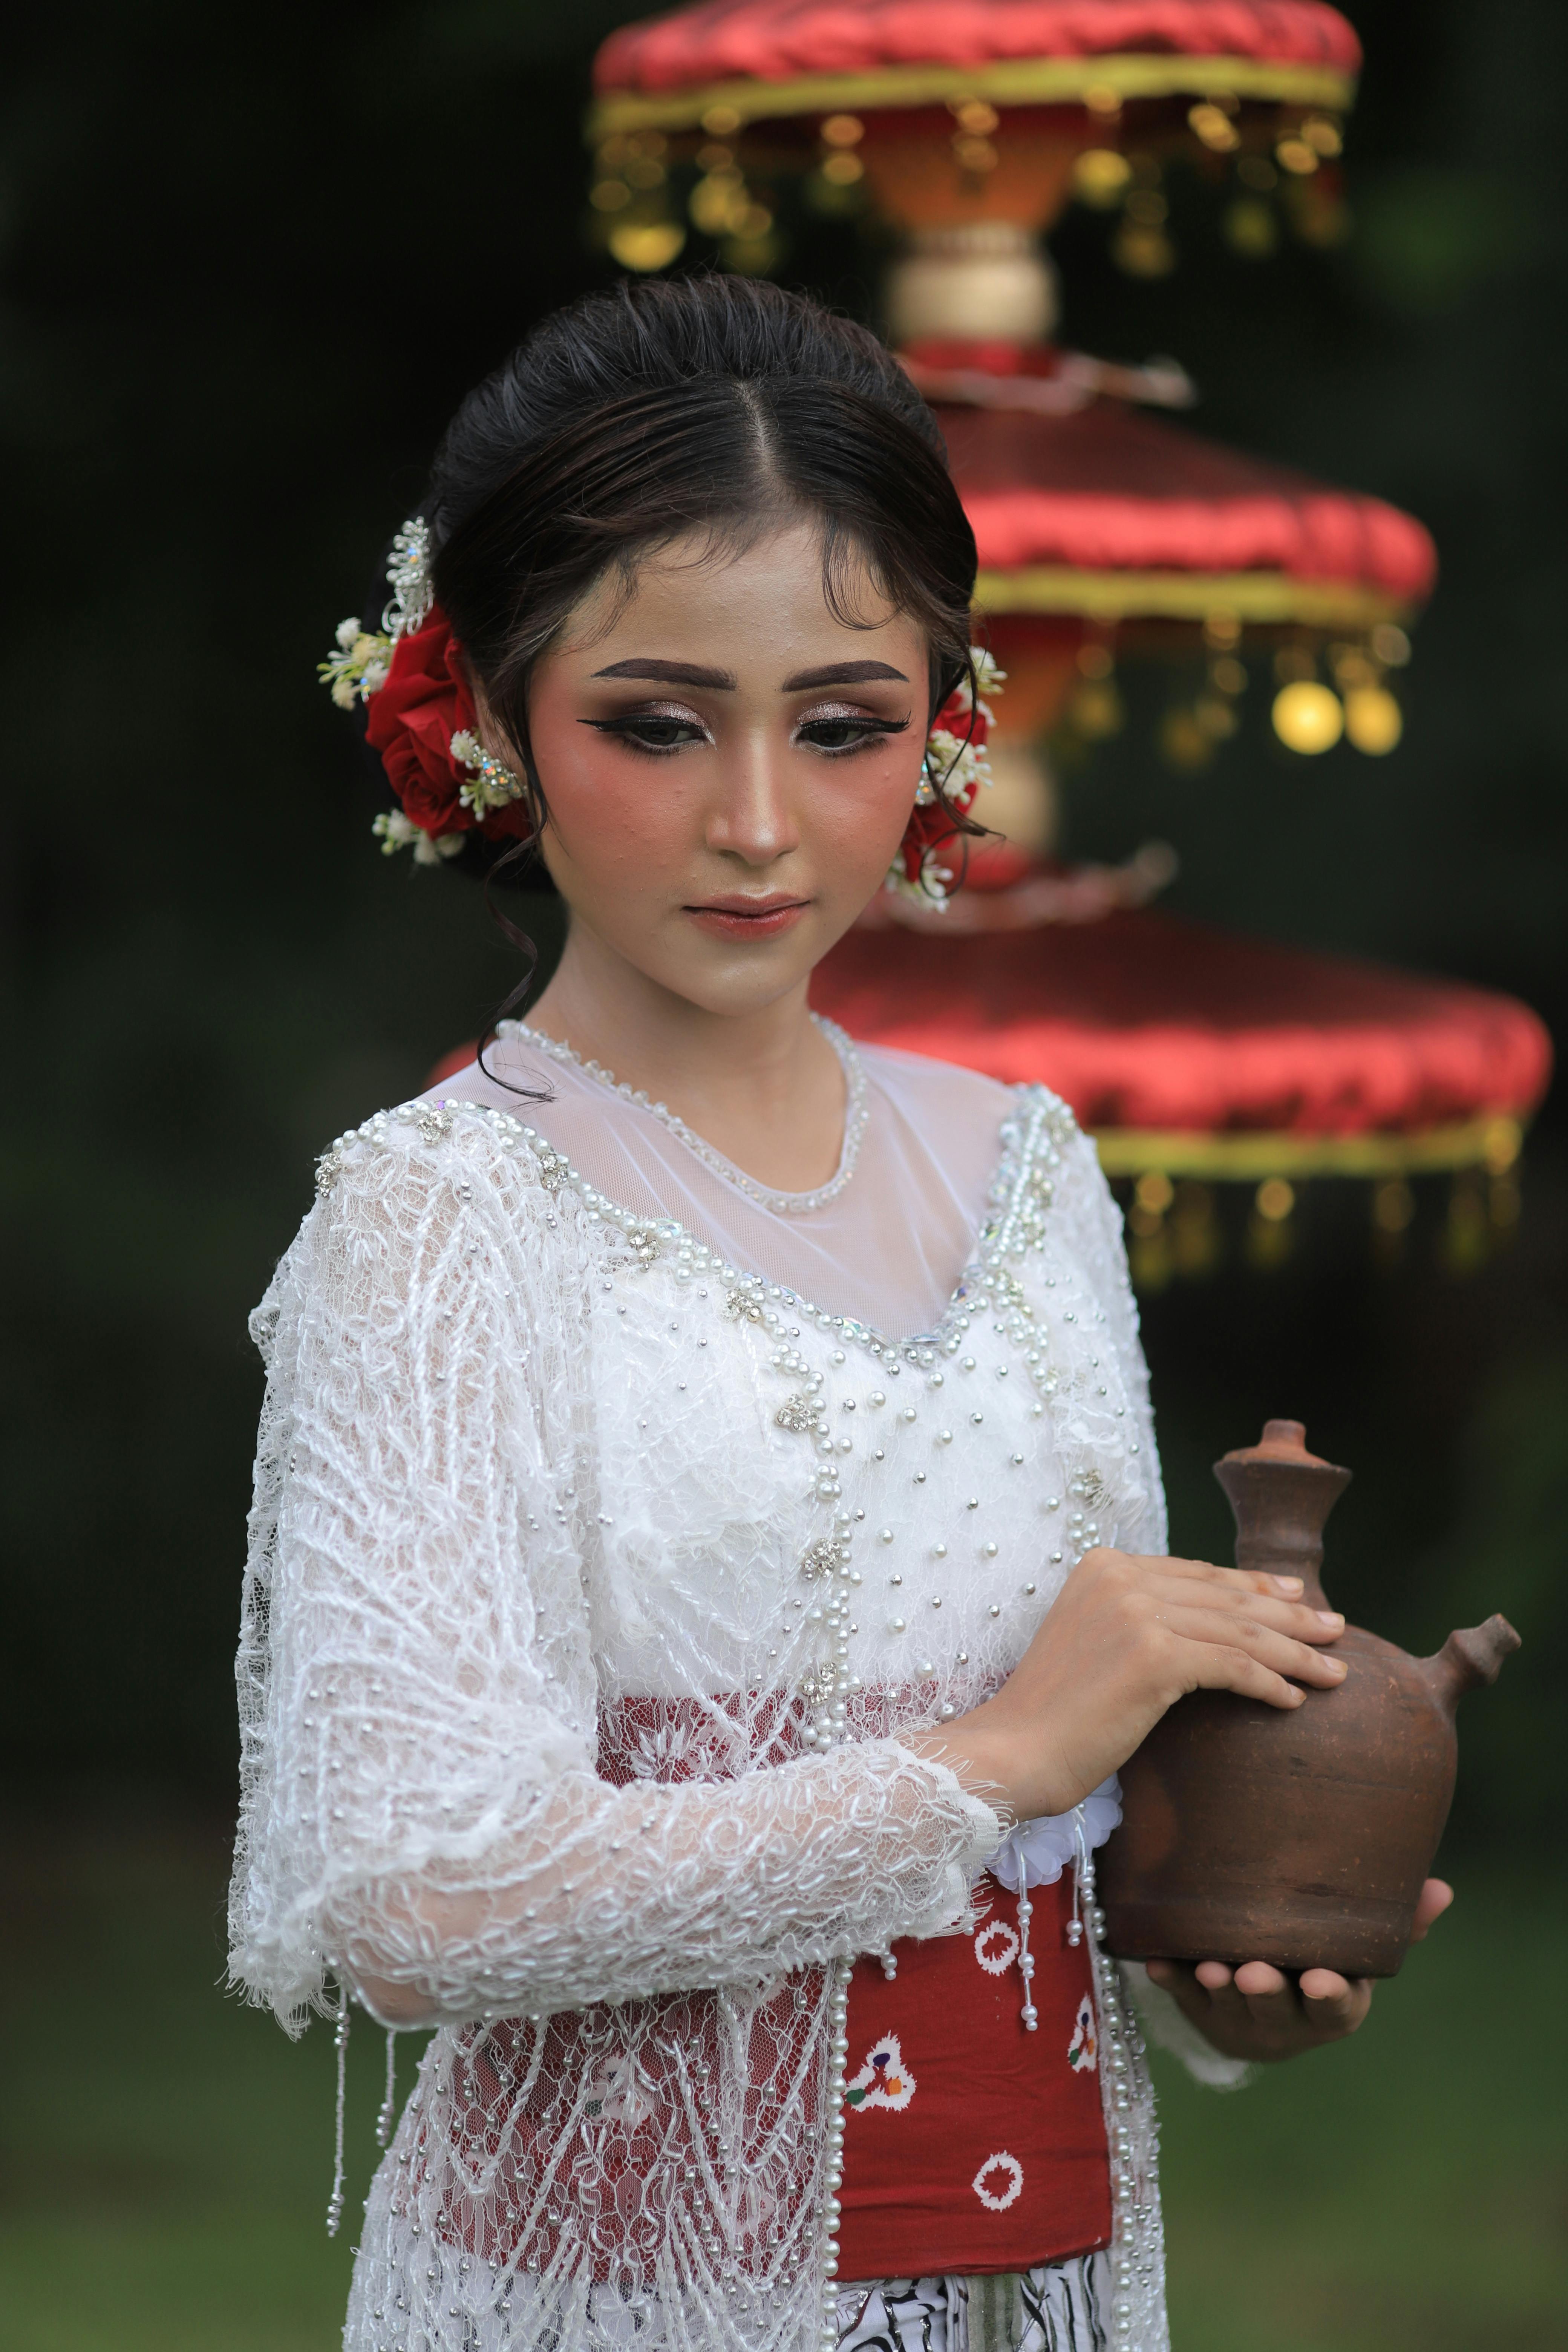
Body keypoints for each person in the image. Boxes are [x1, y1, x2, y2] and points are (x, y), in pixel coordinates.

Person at [230, 276, 1449, 2352]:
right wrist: (989, 1763)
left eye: (841, 723)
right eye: (657, 721)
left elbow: (1078, 1805)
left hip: (1046, 2284)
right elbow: (418, 1900)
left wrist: (1223, 1944)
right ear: (494, 710)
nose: (760, 824)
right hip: (614, 2302)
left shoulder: (1028, 1164)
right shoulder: (436, 1216)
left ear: (940, 721)